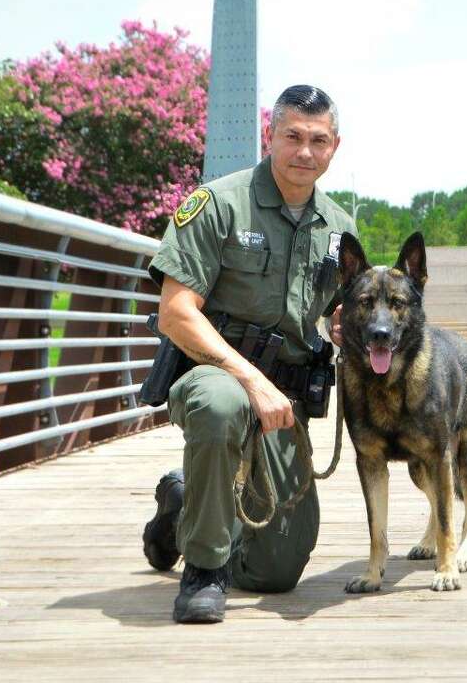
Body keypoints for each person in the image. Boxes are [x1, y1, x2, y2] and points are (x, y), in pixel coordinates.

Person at [142, 84, 357, 624]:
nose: (304, 151)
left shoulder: (339, 228)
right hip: (213, 372)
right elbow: (176, 312)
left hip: (285, 397)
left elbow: (336, 311)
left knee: (277, 571)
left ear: (335, 146)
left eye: (318, 140)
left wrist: (343, 325)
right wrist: (251, 380)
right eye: (293, 136)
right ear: (271, 135)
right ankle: (204, 572)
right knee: (222, 404)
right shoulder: (219, 204)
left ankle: (184, 504)